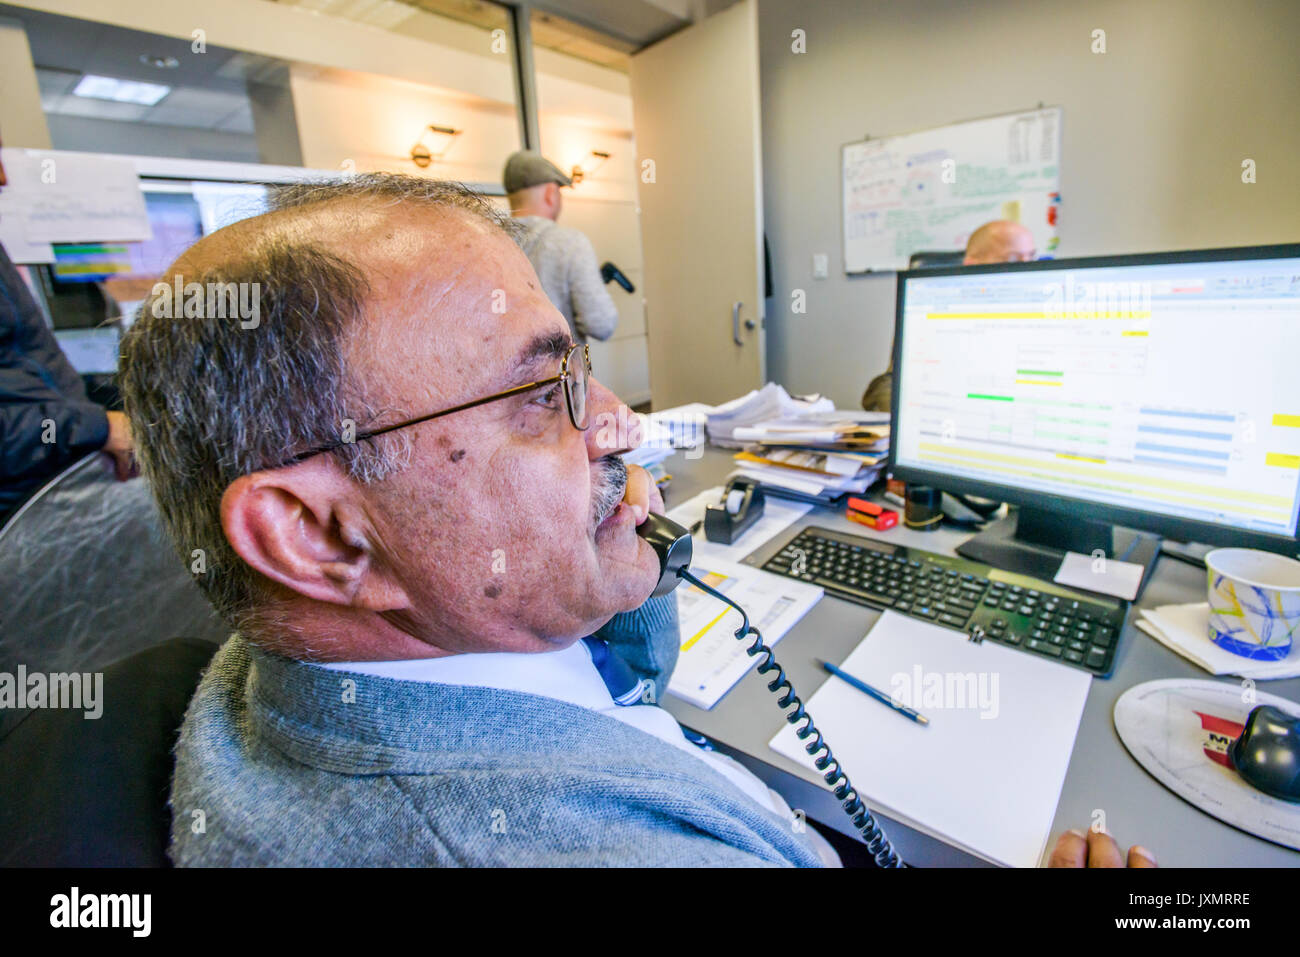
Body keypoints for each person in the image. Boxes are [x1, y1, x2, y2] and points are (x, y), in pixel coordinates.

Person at [119, 175, 1151, 867]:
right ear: (315, 536)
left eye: (576, 367)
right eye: (537, 396)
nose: (621, 425)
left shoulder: (319, 671)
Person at [0, 137, 134, 526]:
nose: (6, 179)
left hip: (59, 484)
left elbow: (31, 374)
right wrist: (97, 427)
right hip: (19, 518)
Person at [860, 219, 1038, 412]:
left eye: (1032, 257)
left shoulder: (1051, 314)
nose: (1028, 269)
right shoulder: (936, 314)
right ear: (972, 265)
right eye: (1012, 259)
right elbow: (888, 383)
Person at [503, 149, 619, 344]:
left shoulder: (489, 240)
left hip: (506, 372)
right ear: (550, 193)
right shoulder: (569, 243)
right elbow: (601, 324)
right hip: (560, 373)